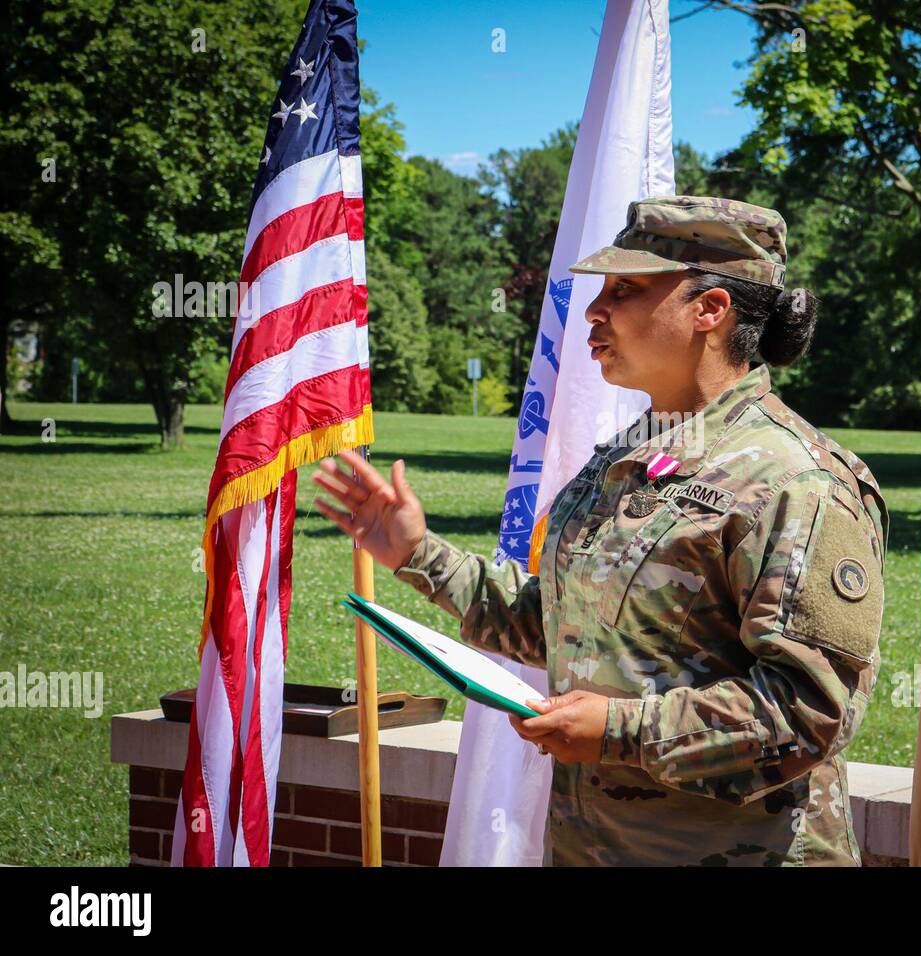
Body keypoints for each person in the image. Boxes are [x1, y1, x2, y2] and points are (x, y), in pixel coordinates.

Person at [313, 195, 888, 866]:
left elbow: (809, 713)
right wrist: (418, 554)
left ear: (710, 309)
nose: (594, 310)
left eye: (626, 289)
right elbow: (556, 626)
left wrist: (618, 730)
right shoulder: (625, 458)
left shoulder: (796, 481)